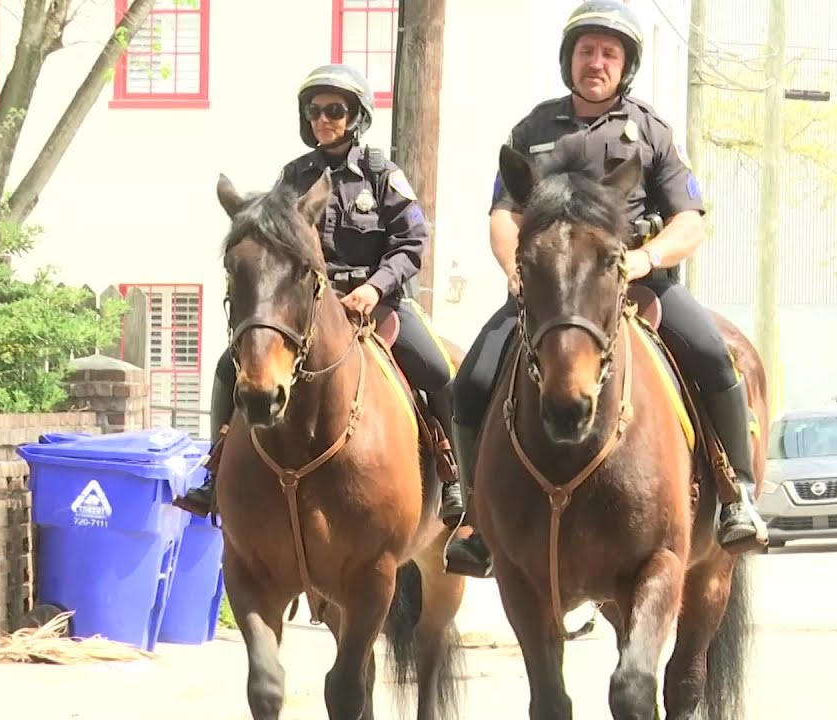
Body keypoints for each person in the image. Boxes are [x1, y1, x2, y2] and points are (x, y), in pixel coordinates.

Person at [441, 0, 768, 578]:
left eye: (608, 53)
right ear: (569, 59)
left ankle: (736, 494)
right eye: (586, 51)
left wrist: (646, 258)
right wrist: (515, 270)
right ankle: (473, 518)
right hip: (547, 293)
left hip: (639, 284)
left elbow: (690, 219)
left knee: (719, 360)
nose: (596, 62)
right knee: (469, 383)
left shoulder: (652, 132)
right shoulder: (531, 131)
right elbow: (501, 213)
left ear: (625, 65)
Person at [173, 64, 463, 519]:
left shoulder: (380, 173)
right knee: (228, 369)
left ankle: (453, 480)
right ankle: (214, 475)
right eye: (315, 111)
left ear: (356, 117)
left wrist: (375, 288)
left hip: (376, 305)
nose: (324, 119)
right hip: (307, 307)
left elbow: (412, 243)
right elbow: (271, 245)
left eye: (335, 110)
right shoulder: (292, 178)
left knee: (437, 369)